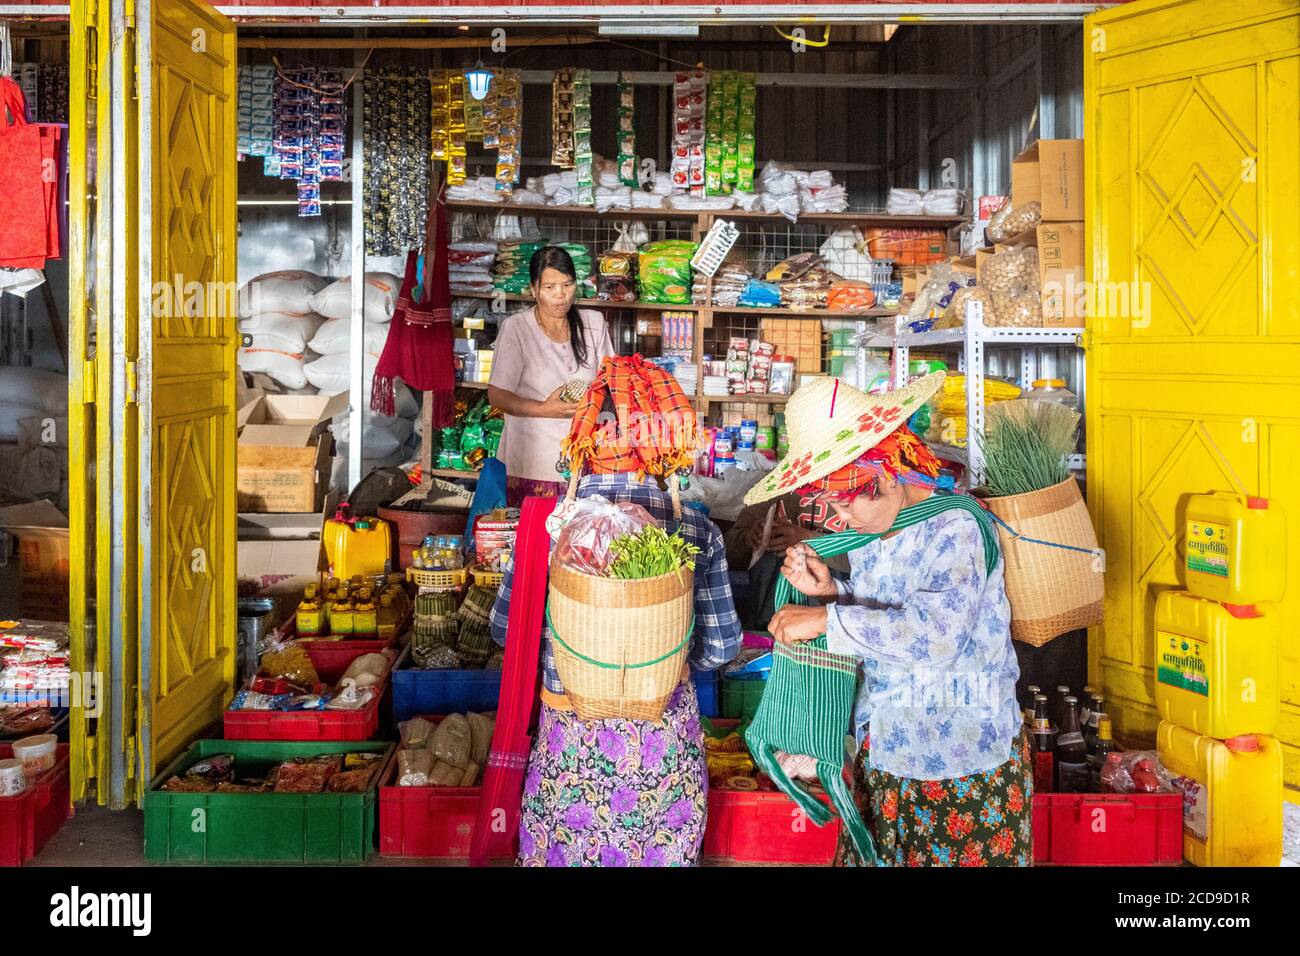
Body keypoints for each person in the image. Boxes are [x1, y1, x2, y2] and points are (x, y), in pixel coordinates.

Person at [743, 373, 1030, 867]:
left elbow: (934, 637)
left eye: (845, 502)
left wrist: (825, 621)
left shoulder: (956, 527)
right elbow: (890, 609)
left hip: (958, 764)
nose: (841, 519)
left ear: (885, 477)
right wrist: (833, 590)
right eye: (829, 505)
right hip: (890, 749)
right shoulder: (883, 528)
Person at [487, 355, 741, 867]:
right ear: (662, 443)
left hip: (570, 741)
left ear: (583, 439)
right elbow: (721, 648)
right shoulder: (696, 530)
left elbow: (502, 632)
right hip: (662, 743)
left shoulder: (544, 528)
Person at [487, 246, 616, 506]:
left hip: (585, 455)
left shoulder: (593, 323)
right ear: (534, 290)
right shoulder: (517, 328)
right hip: (533, 458)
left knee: (580, 538)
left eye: (567, 285)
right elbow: (497, 395)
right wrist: (546, 409)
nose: (560, 295)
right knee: (537, 538)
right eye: (549, 287)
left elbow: (610, 382)